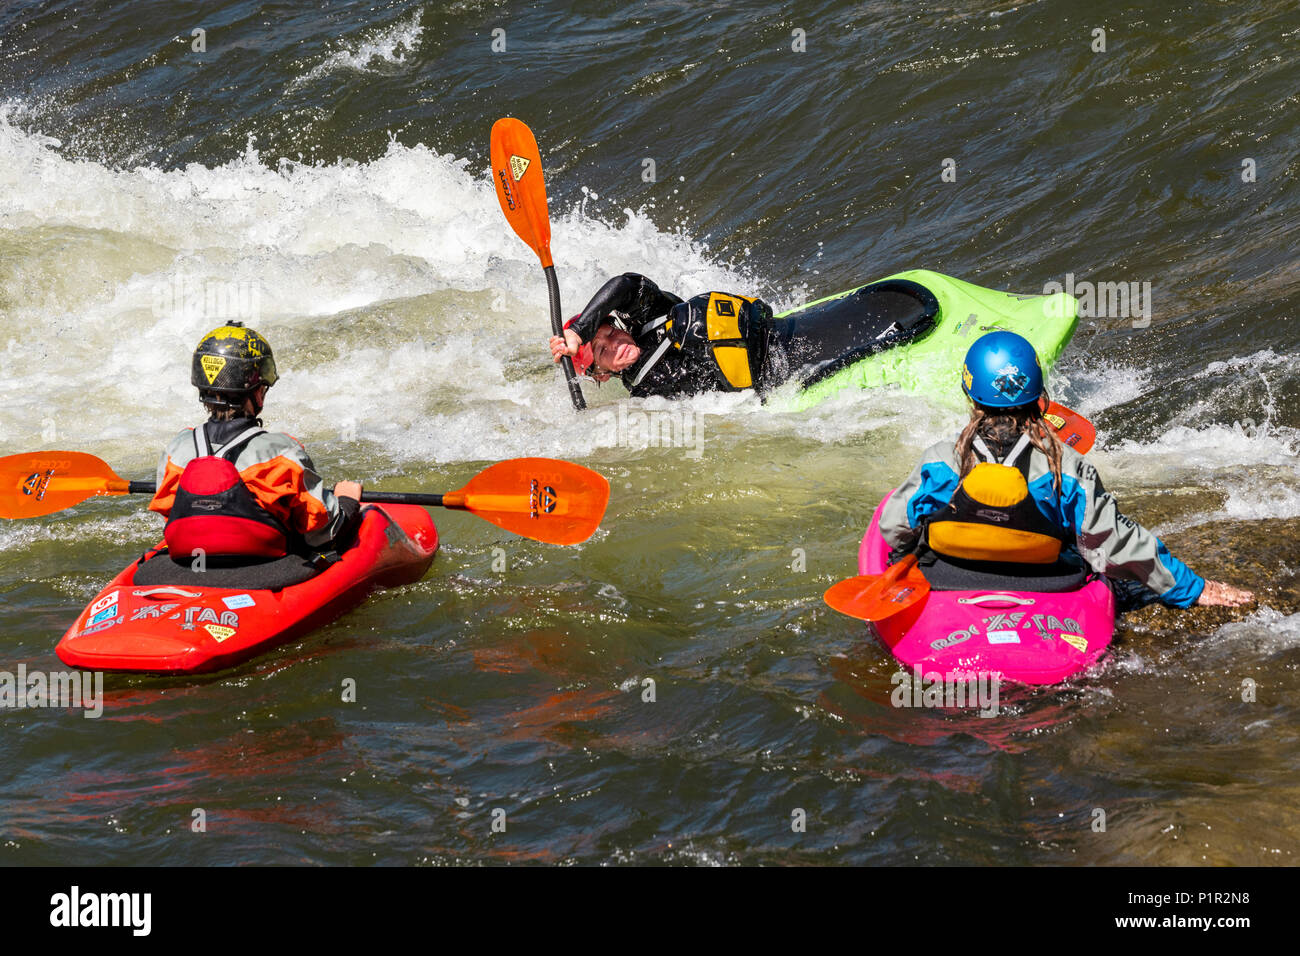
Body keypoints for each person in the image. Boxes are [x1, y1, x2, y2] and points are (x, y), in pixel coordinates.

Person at [878, 330, 1253, 608]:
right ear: (1038, 394)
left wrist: (906, 557)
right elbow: (1112, 543)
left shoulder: (941, 459)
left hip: (947, 579)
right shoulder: (1067, 467)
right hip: (1046, 586)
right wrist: (1195, 588)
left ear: (970, 392)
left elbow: (894, 527)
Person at [149, 321, 363, 561]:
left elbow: (173, 515)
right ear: (257, 391)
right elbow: (322, 532)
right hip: (261, 567)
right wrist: (346, 501)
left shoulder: (175, 450)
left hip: (191, 561)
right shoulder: (281, 452)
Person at [548, 272, 937, 399]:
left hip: (780, 337)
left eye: (610, 334)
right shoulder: (645, 395)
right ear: (601, 375)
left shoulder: (650, 313)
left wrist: (581, 334)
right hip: (781, 376)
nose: (615, 345)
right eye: (601, 352)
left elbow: (625, 282)